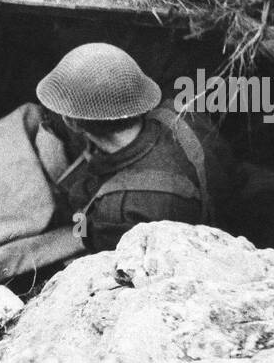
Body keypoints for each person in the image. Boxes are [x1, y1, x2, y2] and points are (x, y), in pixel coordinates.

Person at [35, 42, 241, 252]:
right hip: (221, 214)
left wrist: (81, 210)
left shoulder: (117, 209)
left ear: (73, 123)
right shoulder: (182, 113)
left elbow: (99, 255)